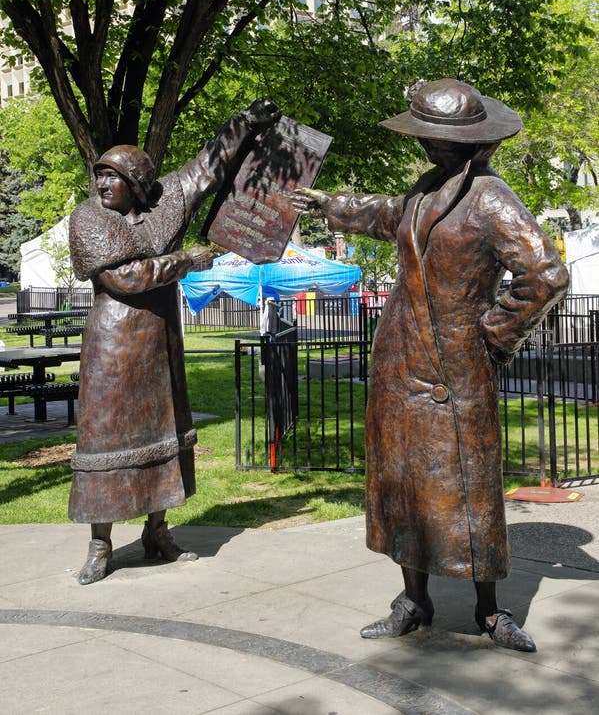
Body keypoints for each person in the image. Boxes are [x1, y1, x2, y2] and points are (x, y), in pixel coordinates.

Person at [293, 79, 569, 651]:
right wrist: (333, 205)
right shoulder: (430, 186)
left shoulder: (491, 196)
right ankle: (413, 599)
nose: (424, 146)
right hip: (401, 360)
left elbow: (546, 274)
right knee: (404, 481)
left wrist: (492, 336)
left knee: (472, 487)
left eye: (431, 138)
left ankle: (490, 611)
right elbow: (391, 215)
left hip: (453, 367)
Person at [69, 99, 281, 584]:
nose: (101, 185)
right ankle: (101, 542)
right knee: (107, 435)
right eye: (98, 176)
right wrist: (186, 260)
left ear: (137, 185)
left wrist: (245, 122)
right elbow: (124, 278)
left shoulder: (162, 205)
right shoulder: (89, 219)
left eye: (112, 177)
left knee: (164, 427)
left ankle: (157, 530)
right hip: (113, 344)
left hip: (159, 339)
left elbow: (207, 167)